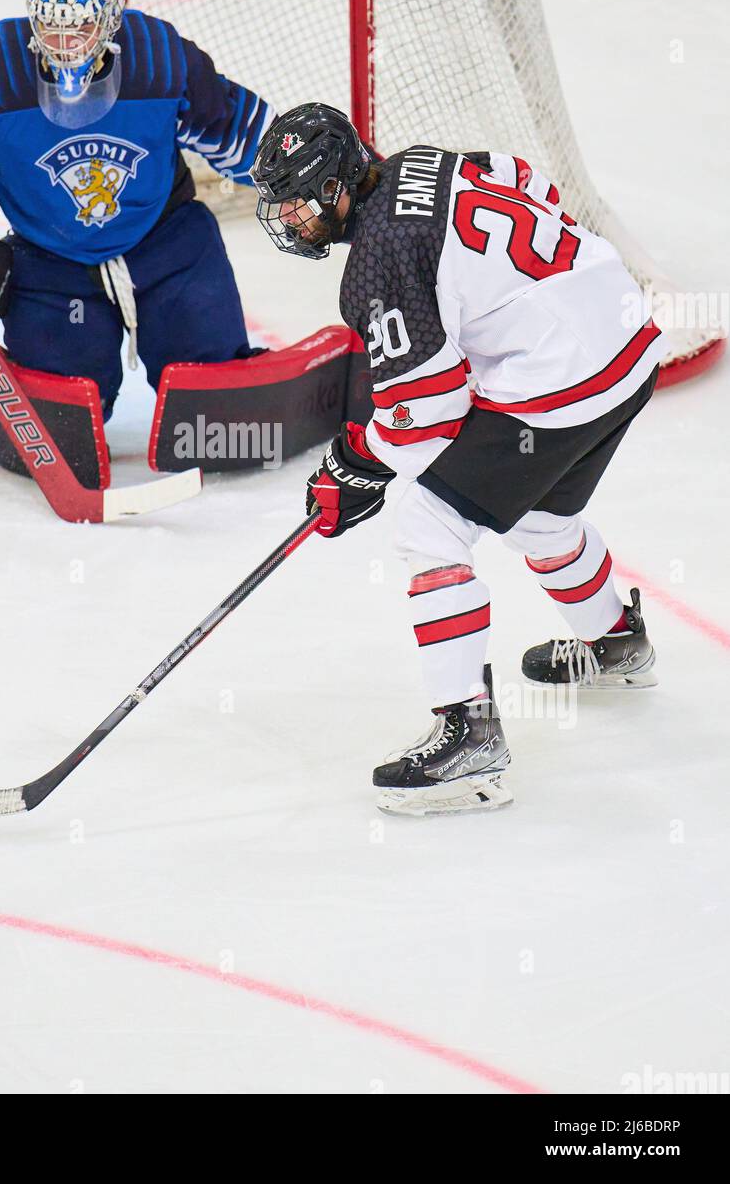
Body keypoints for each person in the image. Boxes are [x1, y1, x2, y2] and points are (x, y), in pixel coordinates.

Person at [250, 103, 664, 816]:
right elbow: (531, 182)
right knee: (540, 519)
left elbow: (429, 411)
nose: (291, 220)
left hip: (564, 377)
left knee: (430, 527)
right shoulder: (424, 159)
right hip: (627, 335)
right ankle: (616, 641)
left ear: (338, 186)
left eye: (298, 203)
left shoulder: (377, 259)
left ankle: (468, 733)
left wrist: (356, 463)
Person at [0, 0, 273, 415]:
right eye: (52, 29)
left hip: (167, 245)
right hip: (50, 261)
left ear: (111, 17)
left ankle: (213, 384)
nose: (66, 45)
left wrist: (316, 182)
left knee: (211, 394)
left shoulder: (159, 59)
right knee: (62, 406)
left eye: (81, 28)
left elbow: (232, 126)